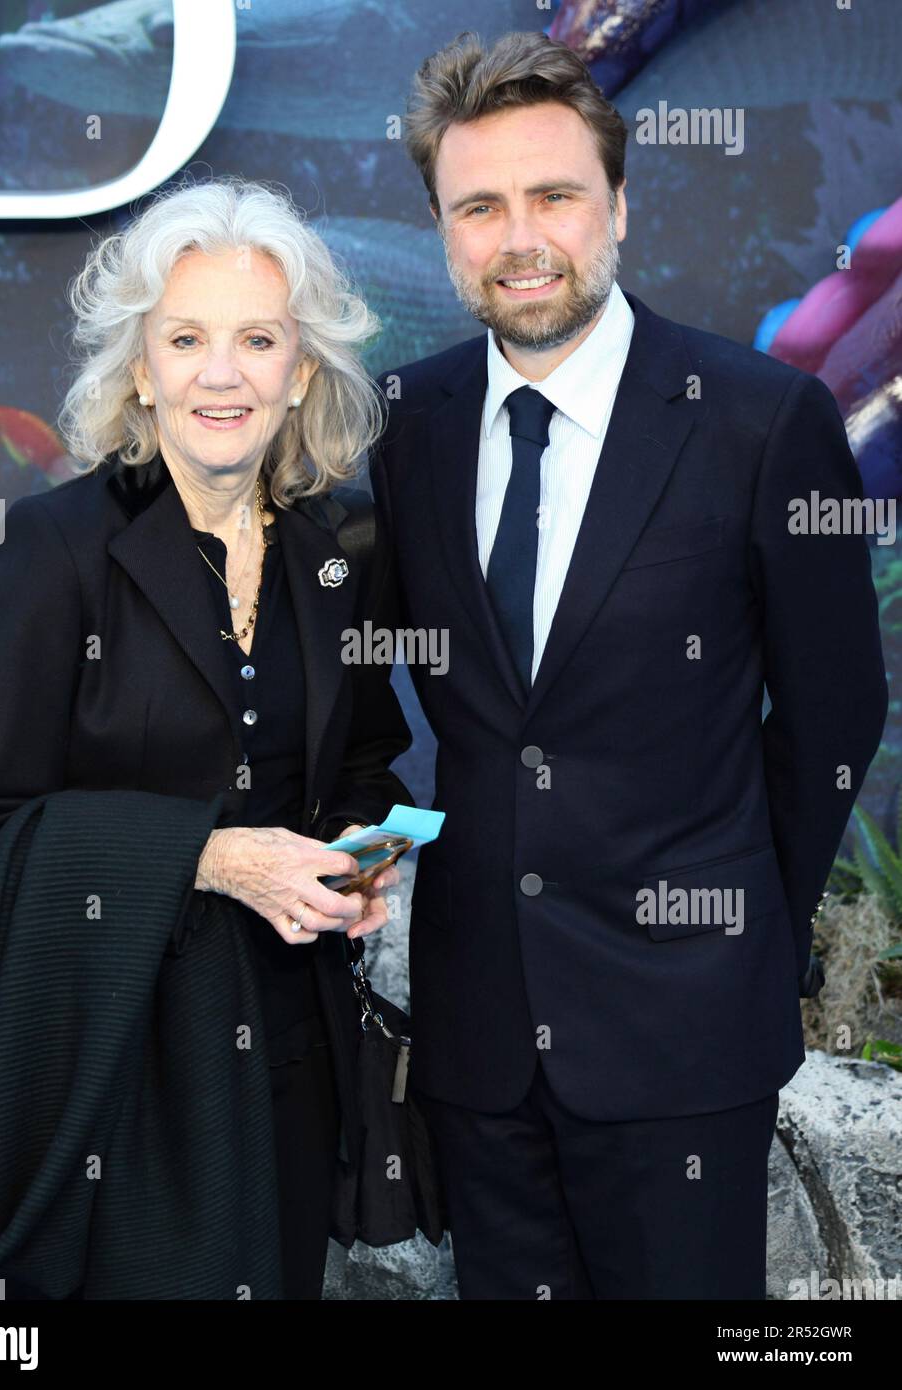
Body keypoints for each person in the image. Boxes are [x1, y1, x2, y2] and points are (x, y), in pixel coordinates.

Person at [370, 31, 888, 1299]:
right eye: (479, 206)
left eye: (553, 196)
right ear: (444, 229)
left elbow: (833, 712)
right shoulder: (408, 423)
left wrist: (732, 916)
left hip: (686, 1028)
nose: (520, 235)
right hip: (478, 1029)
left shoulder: (763, 419)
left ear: (618, 208)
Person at [0, 176, 411, 1300]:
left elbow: (364, 759)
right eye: (185, 338)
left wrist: (362, 855)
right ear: (141, 369)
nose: (222, 372)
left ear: (301, 372)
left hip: (291, 1053)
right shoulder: (54, 552)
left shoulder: (338, 550)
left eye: (256, 338)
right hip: (109, 1068)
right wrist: (209, 856)